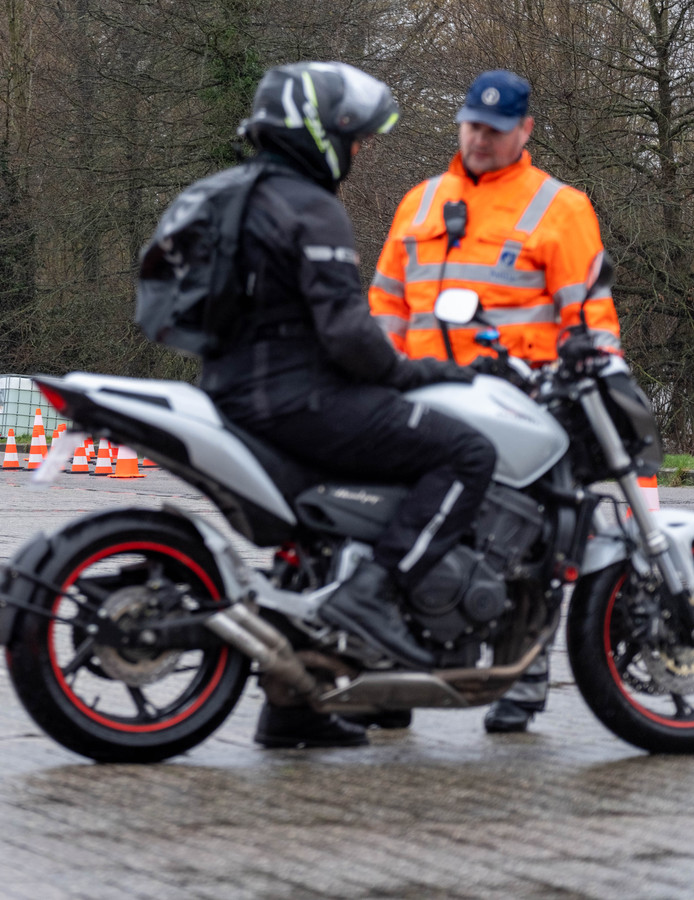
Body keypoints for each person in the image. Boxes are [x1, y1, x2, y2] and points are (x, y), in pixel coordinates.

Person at [200, 61, 497, 749]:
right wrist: (412, 374)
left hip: (235, 390)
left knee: (325, 532)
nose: (358, 150)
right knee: (465, 451)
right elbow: (348, 335)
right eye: (352, 137)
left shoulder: (234, 195)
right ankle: (378, 593)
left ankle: (294, 706)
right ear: (315, 134)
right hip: (296, 400)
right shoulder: (309, 206)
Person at [369, 69, 622, 734]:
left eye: (495, 129)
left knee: (529, 546)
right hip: (424, 399)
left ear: (524, 131)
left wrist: (604, 378)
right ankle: (394, 678)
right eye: (471, 125)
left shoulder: (559, 207)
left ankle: (525, 677)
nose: (479, 139)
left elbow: (588, 313)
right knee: (400, 528)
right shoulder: (420, 203)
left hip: (526, 401)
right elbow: (386, 306)